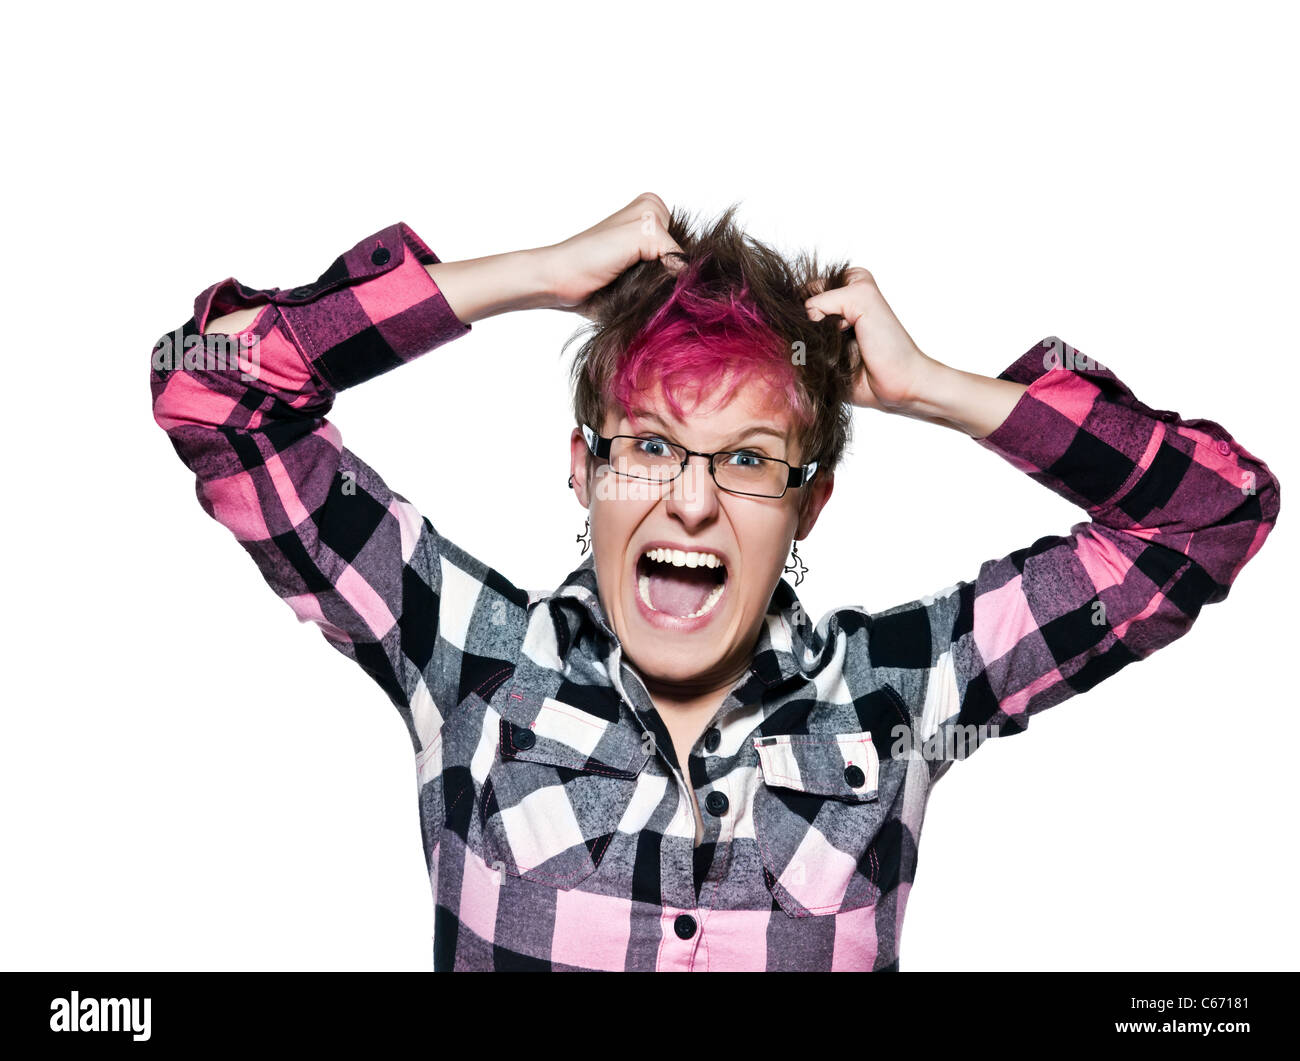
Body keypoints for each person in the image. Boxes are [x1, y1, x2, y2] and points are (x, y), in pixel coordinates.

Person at [150, 193, 1280, 971]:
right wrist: (533, 277)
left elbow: (1211, 513)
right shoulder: (467, 658)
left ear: (808, 500)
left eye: (746, 459)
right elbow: (208, 389)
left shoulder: (901, 695)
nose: (690, 501)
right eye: (647, 444)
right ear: (584, 469)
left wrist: (936, 387)